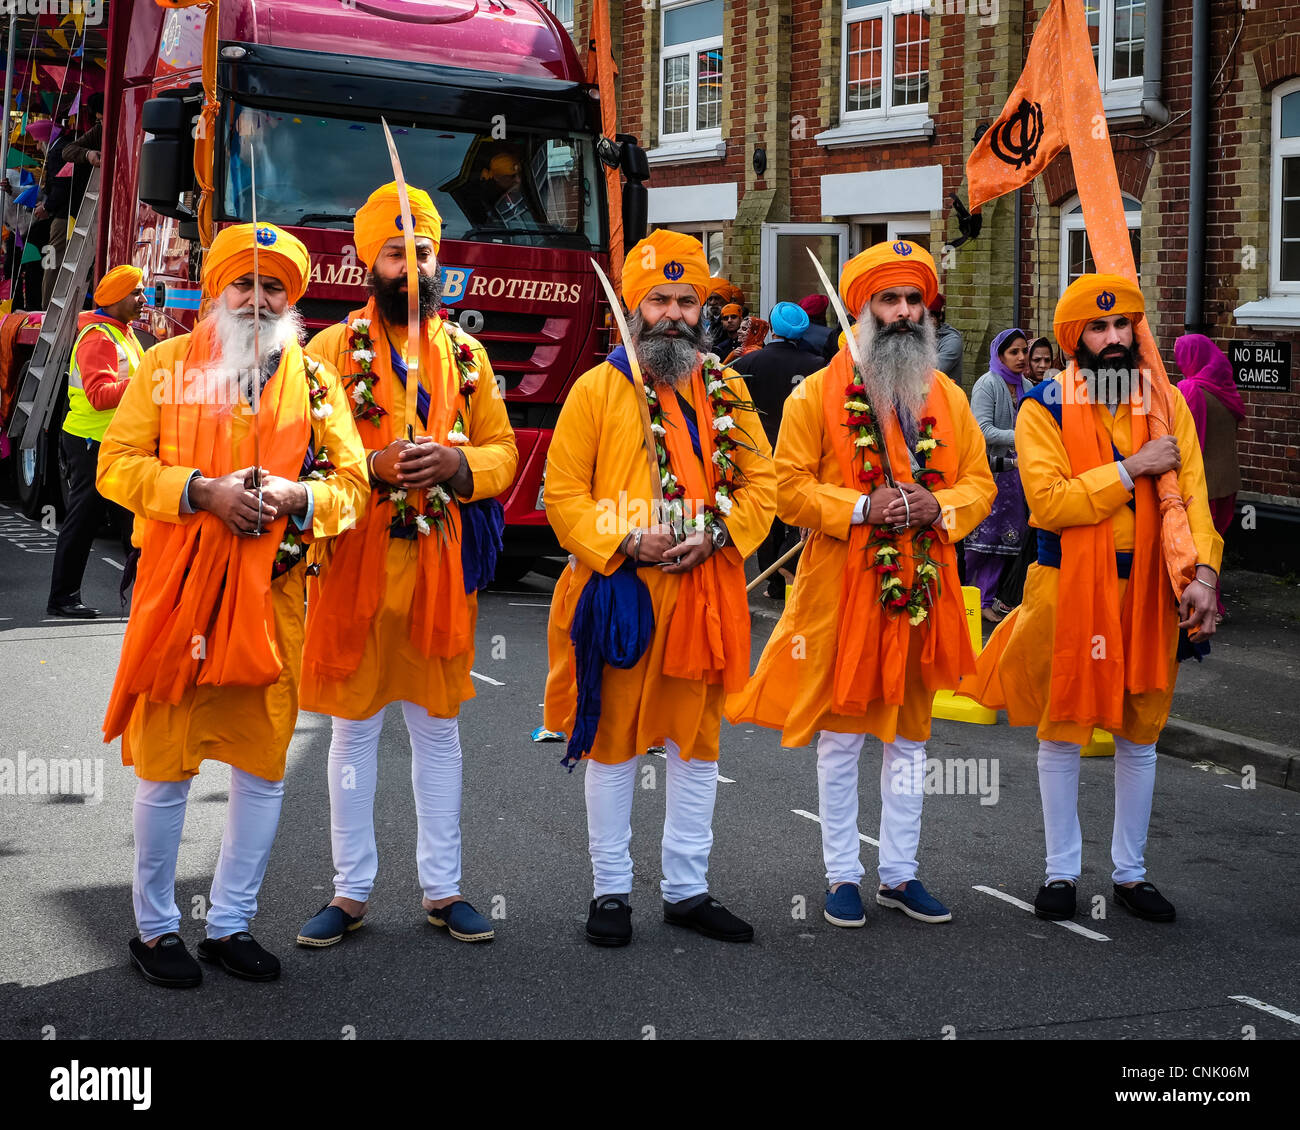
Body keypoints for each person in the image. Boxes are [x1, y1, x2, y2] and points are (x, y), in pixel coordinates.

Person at [97, 223, 369, 988]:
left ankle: (229, 924)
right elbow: (117, 466)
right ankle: (154, 933)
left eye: (273, 285)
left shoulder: (316, 383)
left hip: (272, 605)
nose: (257, 297)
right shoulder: (164, 365)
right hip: (178, 601)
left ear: (293, 298)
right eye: (242, 283)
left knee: (261, 767)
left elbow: (352, 487)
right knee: (167, 767)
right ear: (216, 291)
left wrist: (296, 496)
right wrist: (200, 493)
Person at [726, 241, 996, 929]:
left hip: (923, 587)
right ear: (862, 309)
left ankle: (900, 875)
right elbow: (787, 489)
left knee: (910, 738)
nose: (905, 312)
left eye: (914, 300)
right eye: (890, 300)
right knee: (842, 737)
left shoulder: (951, 396)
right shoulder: (814, 393)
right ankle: (842, 874)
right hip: (840, 589)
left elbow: (979, 484)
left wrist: (943, 507)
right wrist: (858, 507)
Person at [959, 274, 1222, 925]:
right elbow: (1049, 503)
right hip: (1067, 588)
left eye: (1122, 326)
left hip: (1150, 597)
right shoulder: (1039, 406)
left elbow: (1194, 497)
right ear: (1076, 338)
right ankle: (1060, 873)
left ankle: (1132, 875)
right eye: (1097, 329)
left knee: (1140, 731)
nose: (1112, 339)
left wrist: (1207, 573)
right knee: (1064, 728)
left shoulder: (1165, 406)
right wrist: (1131, 469)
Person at [296, 183, 518, 949]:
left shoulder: (467, 352)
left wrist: (455, 463)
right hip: (354, 563)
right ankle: (350, 891)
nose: (411, 265)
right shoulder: (326, 351)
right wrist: (374, 463)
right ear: (370, 261)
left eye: (422, 250)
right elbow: (304, 456)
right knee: (351, 733)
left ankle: (444, 888)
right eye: (396, 252)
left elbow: (504, 454)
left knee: (437, 732)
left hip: (436, 567)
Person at [541, 229, 777, 947]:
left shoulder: (727, 387)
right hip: (623, 595)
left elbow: (761, 484)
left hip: (704, 592)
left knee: (694, 744)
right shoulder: (597, 387)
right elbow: (560, 494)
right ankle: (610, 892)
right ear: (634, 308)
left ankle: (687, 889)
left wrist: (718, 532)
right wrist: (622, 540)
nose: (674, 314)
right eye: (659, 300)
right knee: (613, 744)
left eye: (687, 300)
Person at [47, 265, 146, 618]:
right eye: (136, 293)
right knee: (84, 520)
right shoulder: (99, 337)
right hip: (92, 442)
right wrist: (147, 380)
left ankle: (145, 602)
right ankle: (63, 598)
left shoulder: (123, 332)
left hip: (112, 443)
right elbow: (100, 396)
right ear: (117, 299)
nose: (143, 299)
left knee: (133, 524)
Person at [731, 300, 823, 599]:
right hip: (803, 450)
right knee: (797, 512)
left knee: (768, 515)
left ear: (772, 328)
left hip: (761, 450)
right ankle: (795, 572)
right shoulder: (817, 365)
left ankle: (772, 580)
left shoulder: (747, 364)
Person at [1174, 333, 1243, 624]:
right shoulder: (1226, 388)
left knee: (1195, 544)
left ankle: (1202, 604)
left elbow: (1183, 439)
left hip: (1201, 483)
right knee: (1215, 542)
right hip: (1228, 480)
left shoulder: (1189, 389)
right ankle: (1212, 599)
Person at [965, 328, 1033, 622]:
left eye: (1023, 351)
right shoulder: (987, 384)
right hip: (991, 470)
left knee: (1007, 540)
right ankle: (963, 596)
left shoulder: (1027, 385)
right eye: (1013, 352)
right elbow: (981, 431)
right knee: (981, 539)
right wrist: (1025, 437)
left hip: (1019, 476)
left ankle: (985, 599)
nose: (1021, 358)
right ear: (999, 355)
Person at [929, 293, 964, 387]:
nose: (925, 322)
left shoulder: (952, 340)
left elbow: (933, 371)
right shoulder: (915, 335)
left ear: (940, 316)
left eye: (930, 317)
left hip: (945, 399)